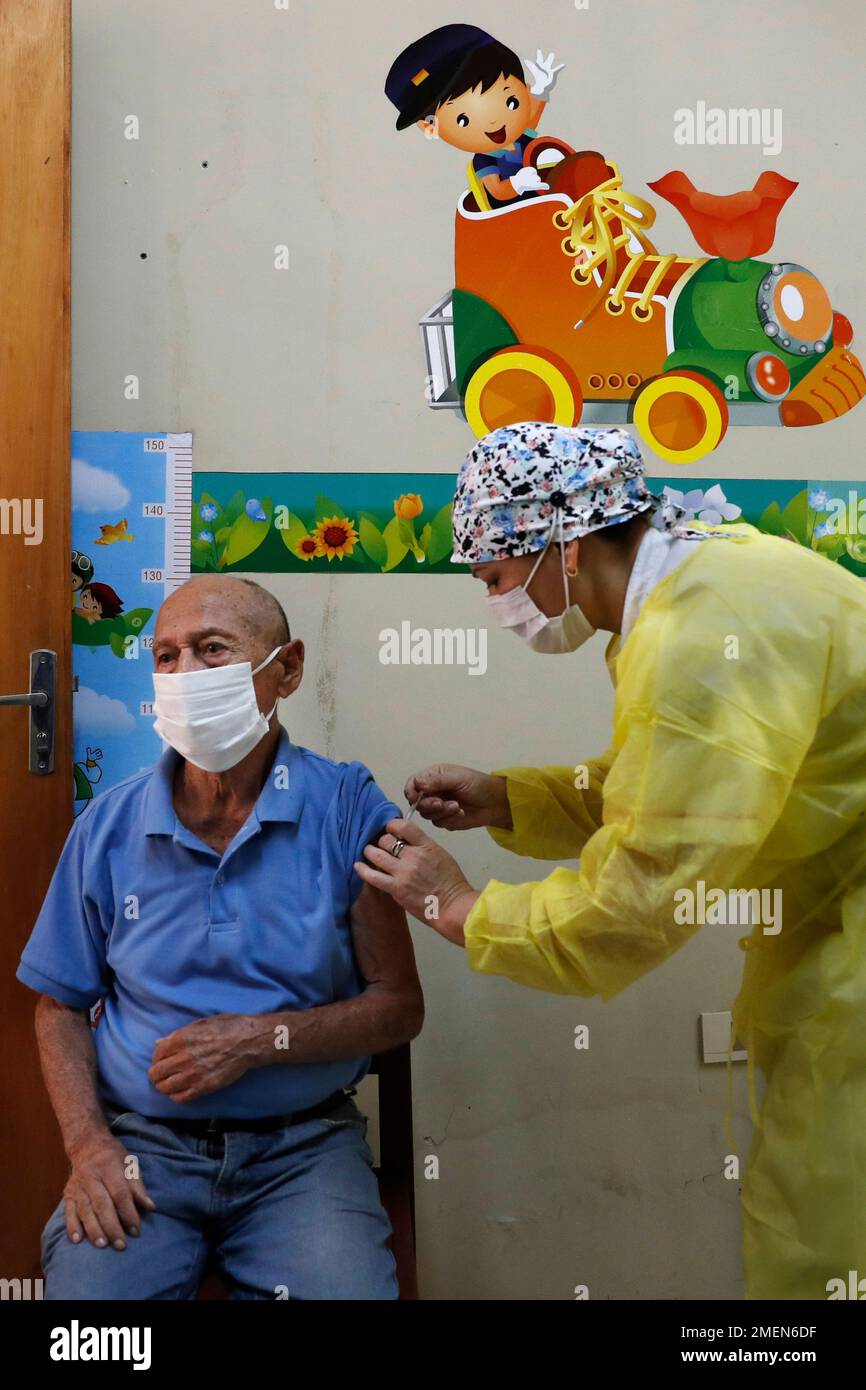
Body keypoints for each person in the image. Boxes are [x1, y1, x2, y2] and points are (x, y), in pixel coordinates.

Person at [354, 421, 866, 1300]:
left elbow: (639, 900)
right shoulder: (708, 575)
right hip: (833, 913)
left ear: (566, 540)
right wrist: (512, 797)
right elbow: (684, 786)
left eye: (496, 578)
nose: (496, 603)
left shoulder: (698, 639)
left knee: (828, 1236)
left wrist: (464, 908)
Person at [18, 574, 423, 1300]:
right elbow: (58, 1007)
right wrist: (90, 1148)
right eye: (166, 657)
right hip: (143, 1147)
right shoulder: (109, 828)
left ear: (287, 669)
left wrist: (256, 1040)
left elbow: (398, 1008)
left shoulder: (344, 809)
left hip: (303, 1152)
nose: (184, 676)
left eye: (212, 650)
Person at [385, 24, 563, 207]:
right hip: (514, 217)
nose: (494, 121)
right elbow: (498, 191)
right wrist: (517, 184)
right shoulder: (484, 160)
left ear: (525, 90)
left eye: (511, 102)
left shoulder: (521, 140)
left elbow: (531, 120)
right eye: (463, 120)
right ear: (430, 127)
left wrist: (542, 90)